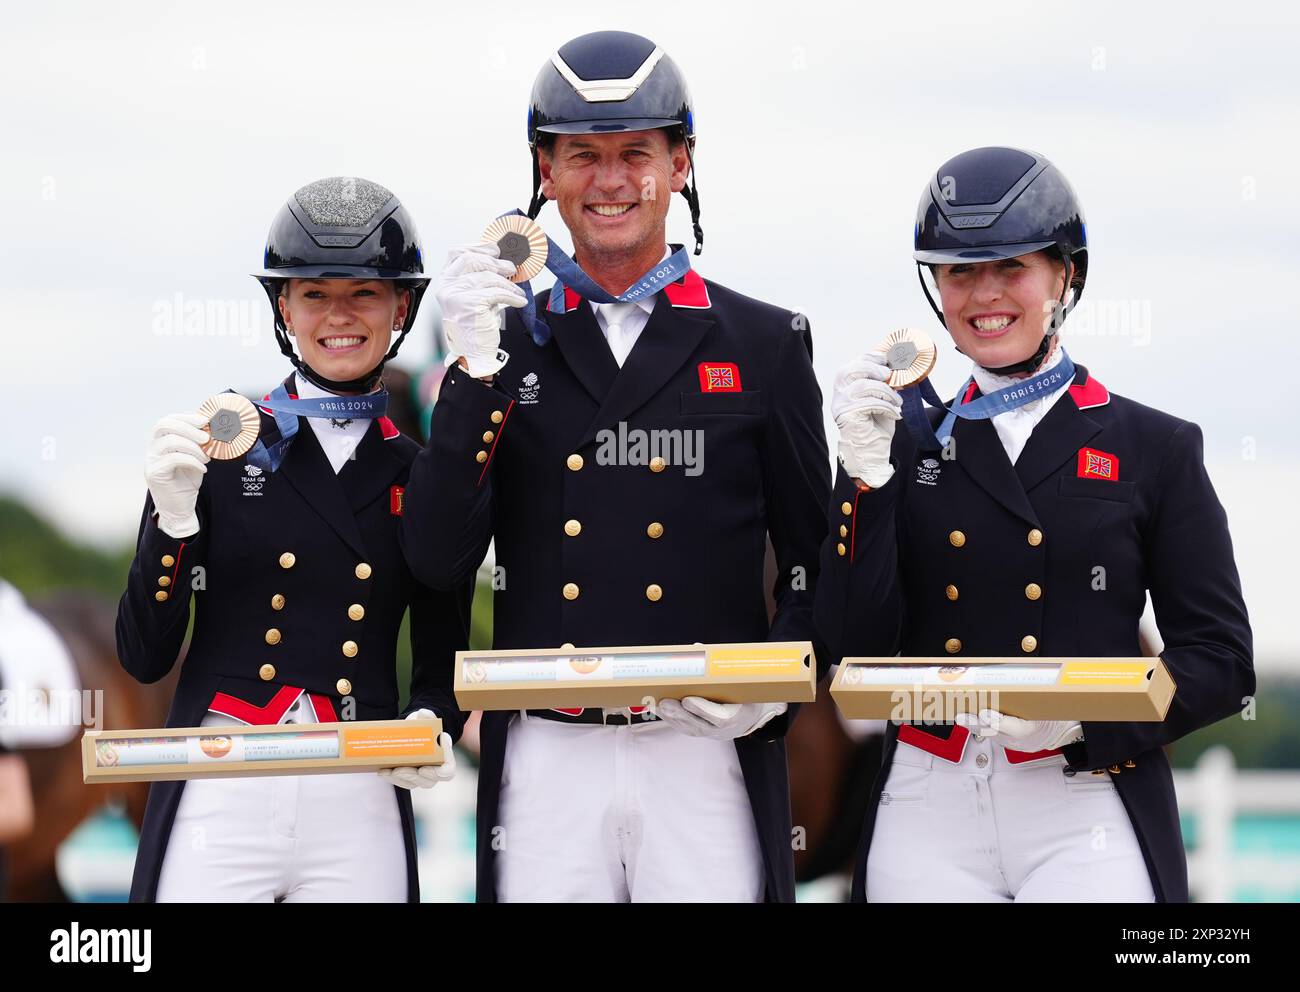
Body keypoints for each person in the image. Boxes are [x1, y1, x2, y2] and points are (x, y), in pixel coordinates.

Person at [401, 30, 831, 902]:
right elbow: (437, 557)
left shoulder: (764, 343)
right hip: (551, 754)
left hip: (705, 747)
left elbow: (814, 560)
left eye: (635, 152)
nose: (609, 180)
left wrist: (776, 688)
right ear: (544, 171)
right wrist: (473, 378)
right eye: (582, 156)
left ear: (681, 163)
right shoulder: (501, 341)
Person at [815, 146, 1254, 902]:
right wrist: (865, 481)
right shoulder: (898, 438)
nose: (984, 294)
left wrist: (1083, 725)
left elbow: (1220, 660)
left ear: (1065, 275)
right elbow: (849, 645)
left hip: (1083, 794)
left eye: (1011, 267)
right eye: (959, 271)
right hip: (927, 798)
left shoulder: (1152, 446)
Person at [115, 177, 469, 902]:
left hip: (357, 780)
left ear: (401, 306)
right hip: (225, 774)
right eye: (314, 294)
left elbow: (439, 657)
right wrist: (170, 521)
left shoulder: (420, 470)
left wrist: (434, 720)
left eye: (364, 294)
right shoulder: (225, 440)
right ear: (284, 306)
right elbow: (144, 655)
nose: (339, 316)